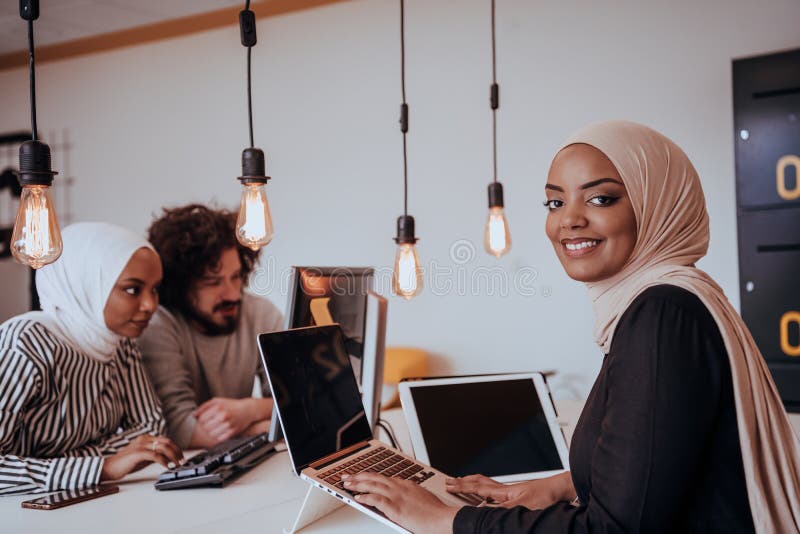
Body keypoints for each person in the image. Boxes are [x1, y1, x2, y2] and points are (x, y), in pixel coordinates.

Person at [341, 121, 800, 533]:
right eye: (555, 201)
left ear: (657, 204)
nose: (569, 219)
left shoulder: (662, 315)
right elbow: (666, 459)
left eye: (601, 198)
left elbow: (614, 530)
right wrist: (562, 486)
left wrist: (448, 519)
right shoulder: (674, 298)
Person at [0, 222, 183, 495]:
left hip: (75, 500)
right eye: (133, 290)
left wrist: (78, 467)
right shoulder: (25, 344)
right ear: (86, 284)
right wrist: (103, 467)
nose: (150, 305)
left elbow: (150, 429)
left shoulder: (119, 342)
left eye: (154, 289)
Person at [139, 205, 284, 450]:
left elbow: (303, 401)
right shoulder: (158, 324)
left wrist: (250, 410)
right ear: (180, 285)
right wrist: (267, 425)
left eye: (236, 276)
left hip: (242, 464)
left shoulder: (259, 313)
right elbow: (181, 430)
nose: (232, 294)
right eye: (212, 282)